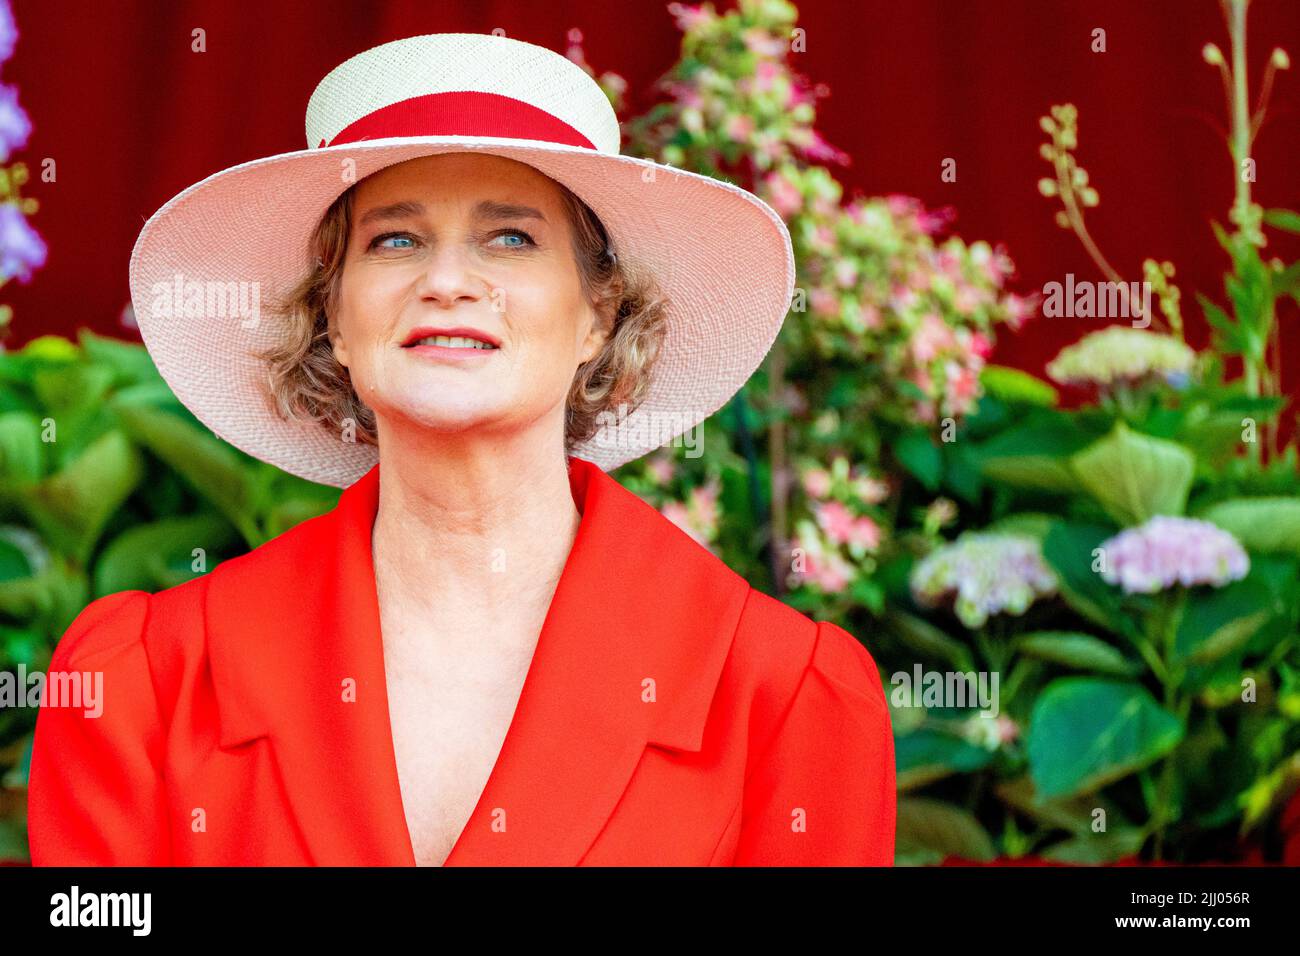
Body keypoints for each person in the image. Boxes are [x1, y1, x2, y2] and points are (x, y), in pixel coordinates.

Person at [27, 32, 895, 866]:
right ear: (332, 314)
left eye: (511, 237)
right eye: (394, 239)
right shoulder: (143, 679)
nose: (446, 282)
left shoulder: (784, 694)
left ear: (599, 312)